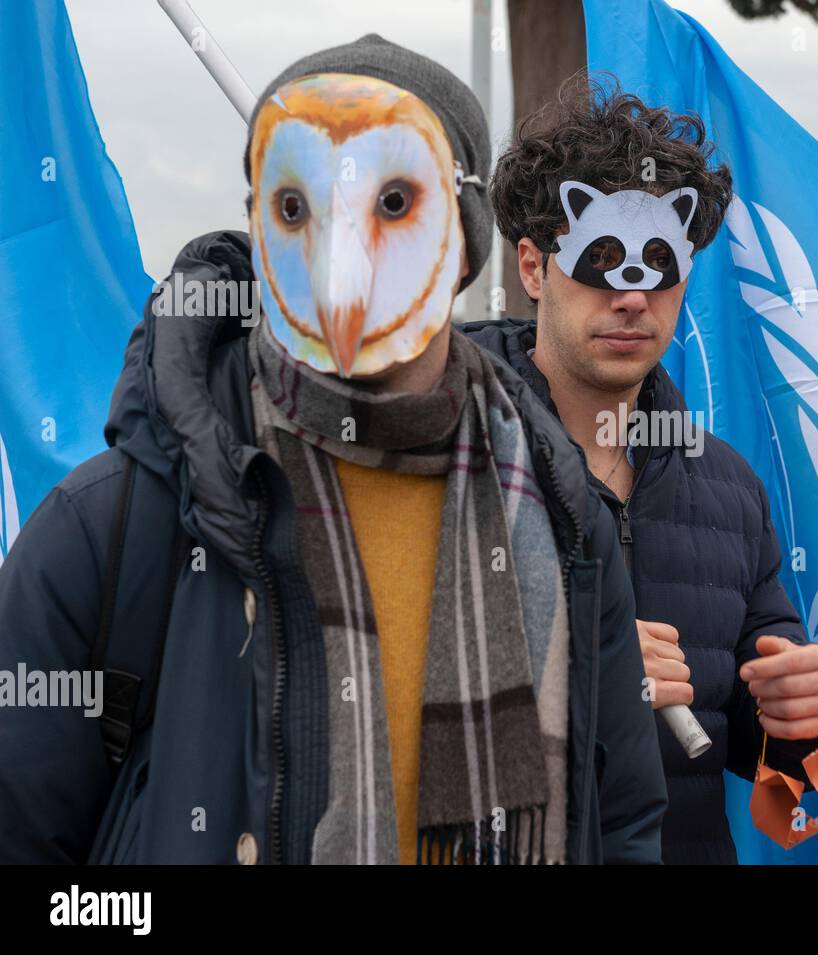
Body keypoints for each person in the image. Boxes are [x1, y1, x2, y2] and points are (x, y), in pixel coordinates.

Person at [0, 35, 666, 865]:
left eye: (394, 203)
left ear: (464, 244)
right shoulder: (112, 526)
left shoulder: (566, 517)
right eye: (293, 207)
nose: (338, 254)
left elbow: (625, 823)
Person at [465, 76, 818, 865]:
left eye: (658, 266)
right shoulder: (445, 456)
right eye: (600, 262)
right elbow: (355, 701)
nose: (631, 298)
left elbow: (799, 793)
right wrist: (580, 667)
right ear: (534, 267)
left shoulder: (728, 490)